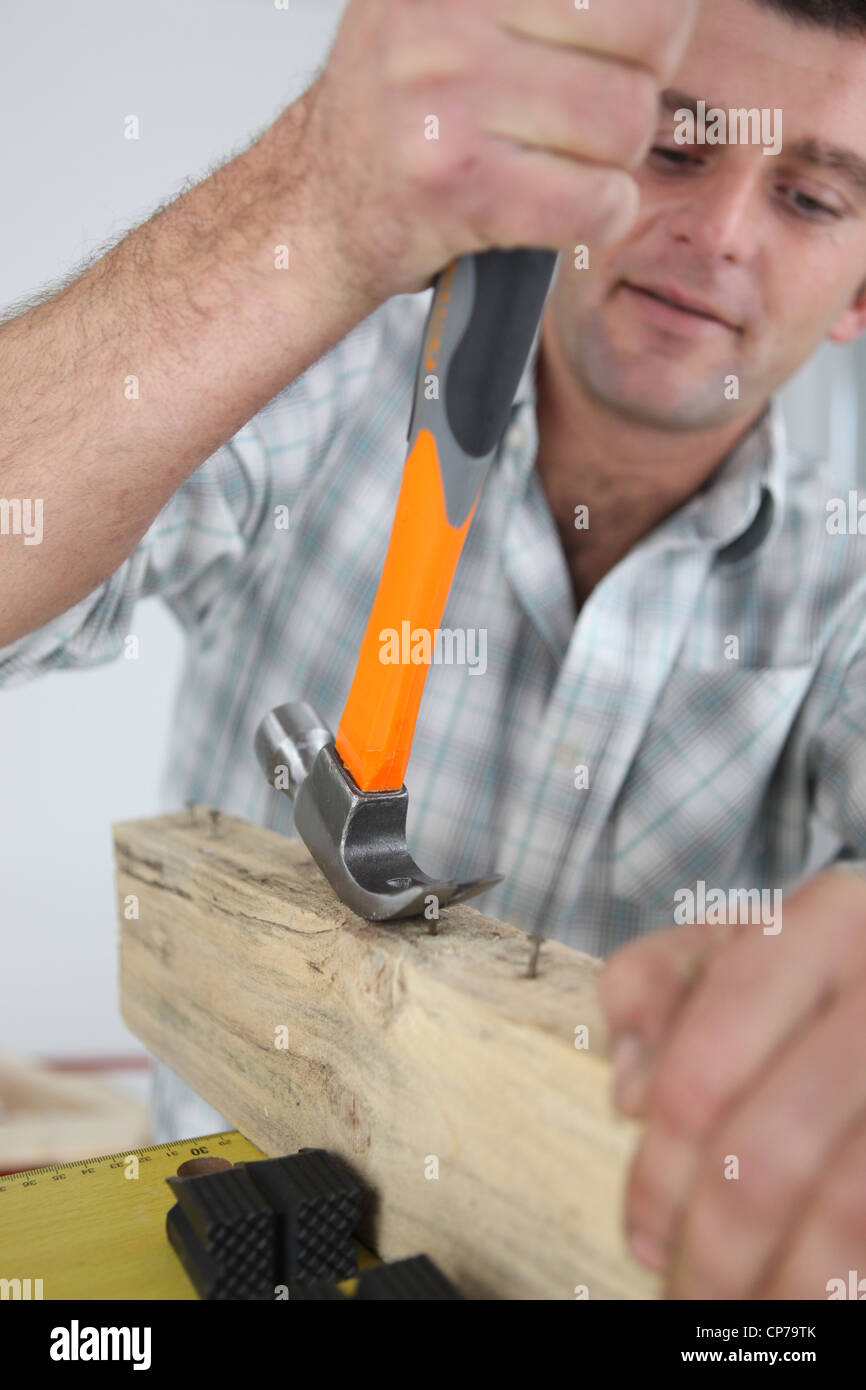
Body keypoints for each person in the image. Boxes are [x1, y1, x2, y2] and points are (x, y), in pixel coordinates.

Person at [2, 0, 865, 1299]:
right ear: (557, 157)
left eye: (807, 199)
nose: (720, 234)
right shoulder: (310, 387)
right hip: (226, 1246)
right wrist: (314, 202)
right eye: (673, 152)